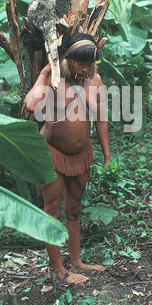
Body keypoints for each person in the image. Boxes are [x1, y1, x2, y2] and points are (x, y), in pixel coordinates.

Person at [24, 32, 111, 284]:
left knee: (73, 210)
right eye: (80, 63)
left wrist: (107, 156)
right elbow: (31, 104)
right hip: (53, 154)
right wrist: (43, 74)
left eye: (89, 63)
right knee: (51, 210)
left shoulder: (94, 81)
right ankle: (58, 270)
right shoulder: (53, 79)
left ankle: (77, 261)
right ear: (67, 60)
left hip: (82, 156)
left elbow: (101, 120)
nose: (85, 68)